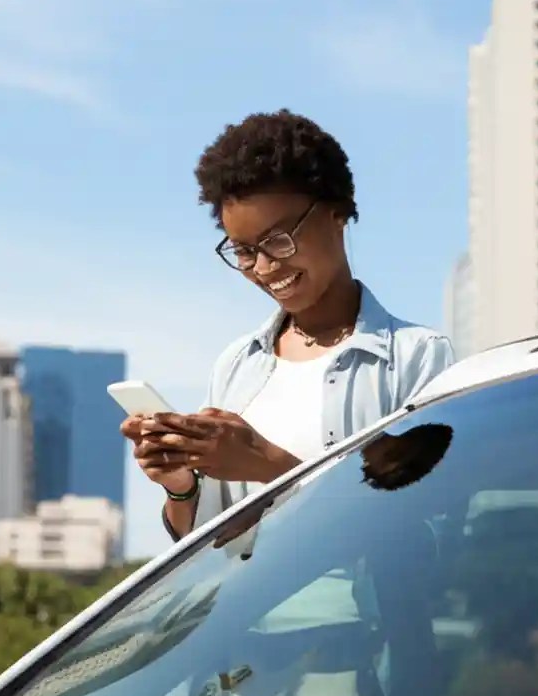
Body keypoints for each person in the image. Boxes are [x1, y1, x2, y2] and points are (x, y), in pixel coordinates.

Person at [121, 109, 456, 543]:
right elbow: (212, 545)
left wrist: (267, 463)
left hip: (368, 612)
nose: (264, 267)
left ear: (336, 211)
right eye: (243, 251)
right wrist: (181, 485)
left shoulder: (416, 357)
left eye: (279, 239)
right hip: (247, 611)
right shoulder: (238, 365)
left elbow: (428, 519)